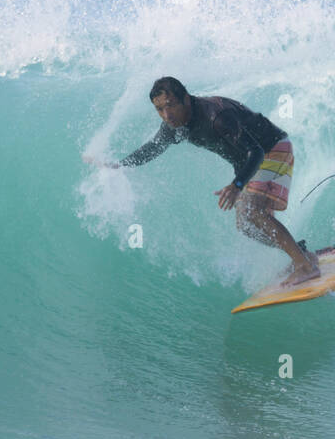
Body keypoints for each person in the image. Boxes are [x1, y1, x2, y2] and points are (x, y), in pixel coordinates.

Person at [84, 76, 319, 286]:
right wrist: (120, 166)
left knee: (253, 213)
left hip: (271, 149)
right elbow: (153, 148)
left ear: (185, 98)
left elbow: (255, 152)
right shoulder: (174, 126)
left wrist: (237, 185)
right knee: (245, 224)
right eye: (159, 110)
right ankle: (301, 254)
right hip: (252, 163)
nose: (167, 115)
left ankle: (305, 266)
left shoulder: (216, 115)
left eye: (171, 105)